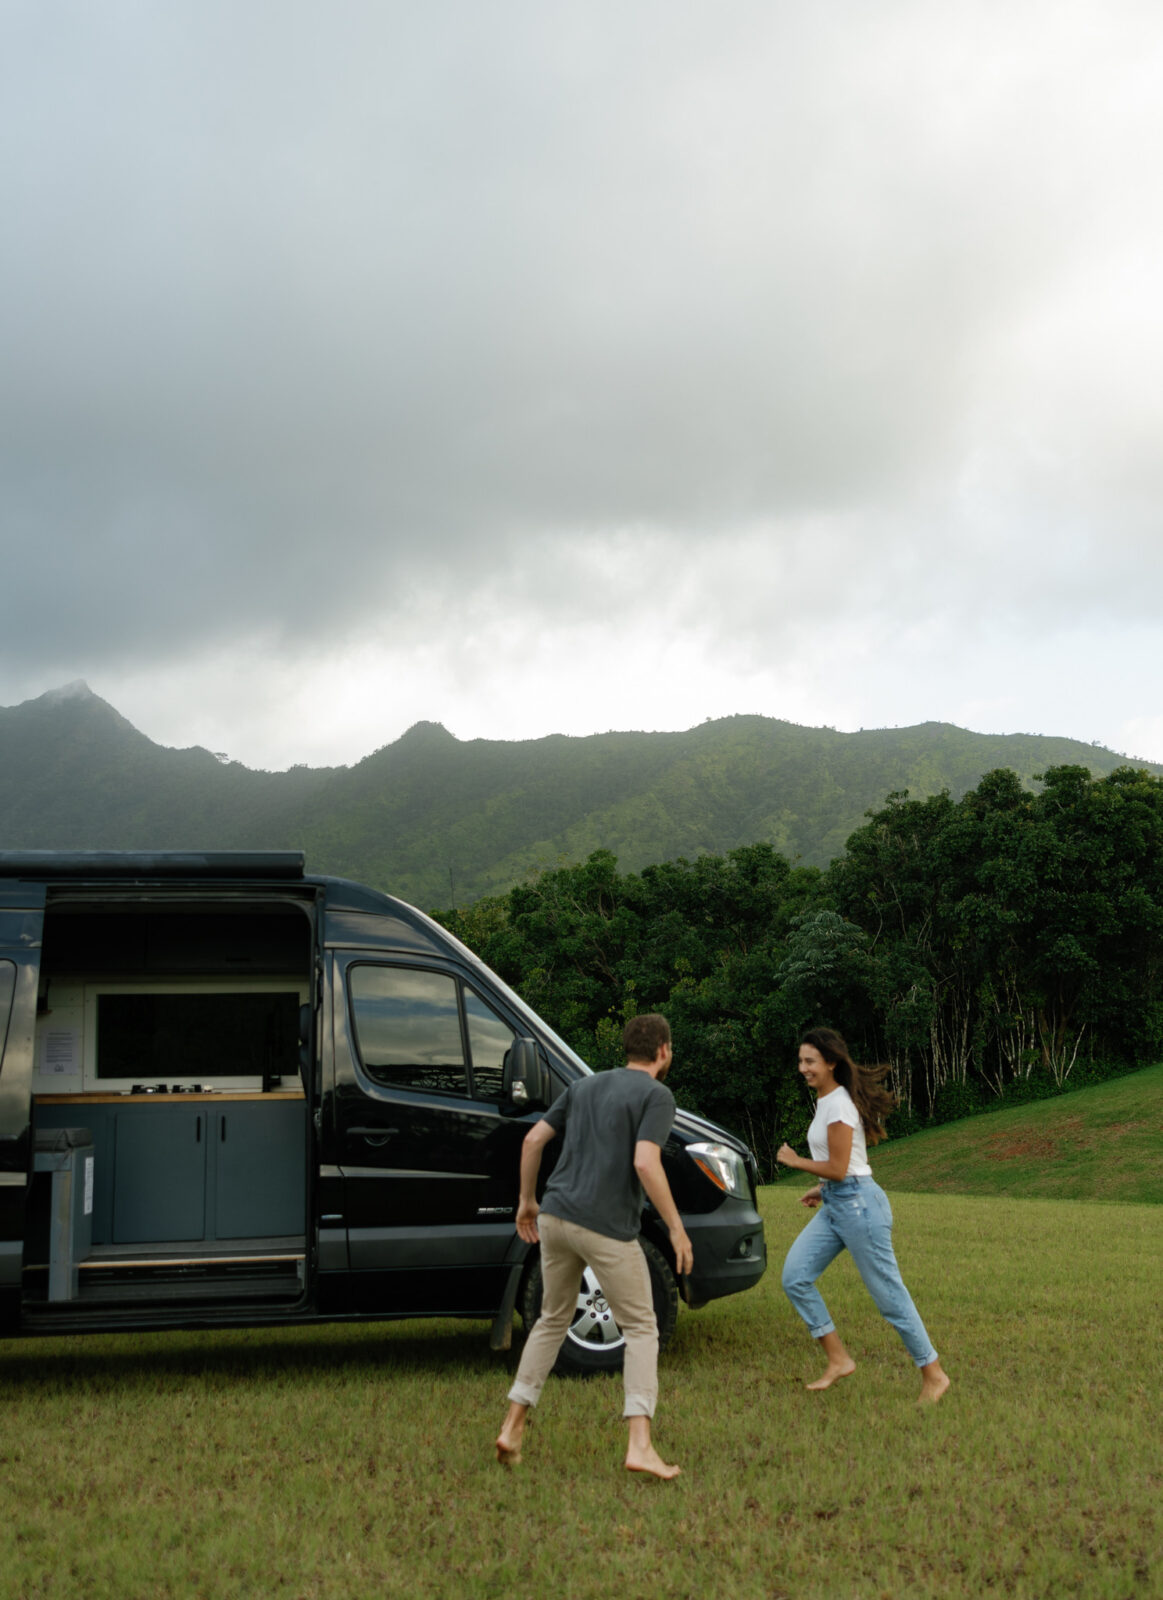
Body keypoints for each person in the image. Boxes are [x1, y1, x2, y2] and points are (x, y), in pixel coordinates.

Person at [494, 1013, 695, 1478]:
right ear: (663, 1051)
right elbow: (646, 1163)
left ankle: (513, 1425)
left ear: (627, 1049)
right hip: (604, 1226)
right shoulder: (657, 1095)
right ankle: (640, 1445)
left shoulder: (584, 1087)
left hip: (556, 1218)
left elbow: (532, 1140)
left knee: (550, 1320)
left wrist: (527, 1202)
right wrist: (677, 1229)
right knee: (643, 1327)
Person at [776, 1027, 950, 1403]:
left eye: (810, 1061)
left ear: (831, 1063)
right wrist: (820, 1190)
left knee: (890, 1297)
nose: (802, 1067)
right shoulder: (827, 1101)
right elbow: (845, 1166)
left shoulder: (838, 1104)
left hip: (859, 1206)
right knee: (795, 1277)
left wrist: (795, 1162)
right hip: (838, 1201)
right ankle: (838, 1359)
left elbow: (839, 1168)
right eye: (801, 1061)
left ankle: (934, 1374)